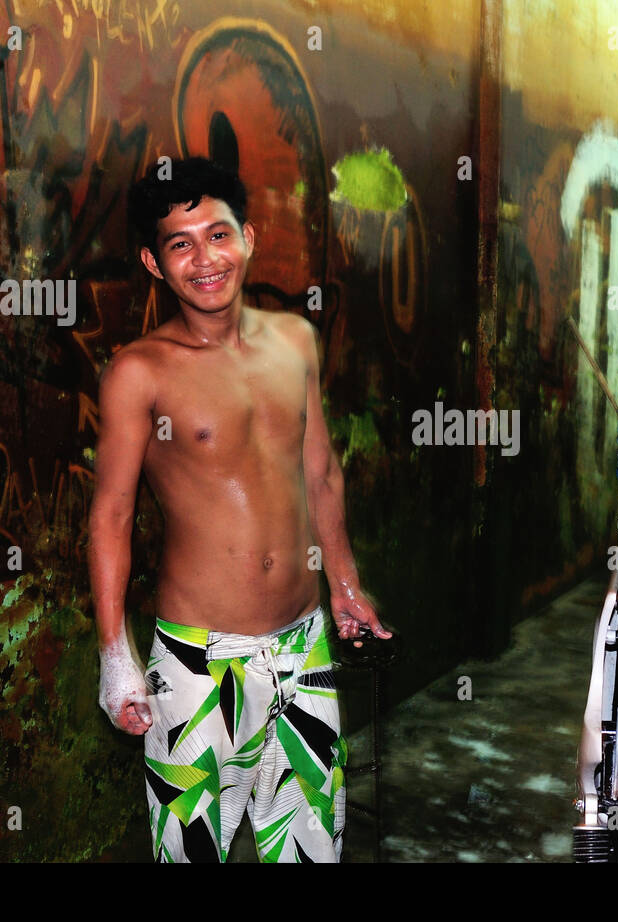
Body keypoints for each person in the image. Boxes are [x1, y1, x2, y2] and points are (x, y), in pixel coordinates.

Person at [88, 156, 389, 863]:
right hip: (196, 665)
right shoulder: (139, 371)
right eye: (180, 244)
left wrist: (344, 584)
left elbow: (320, 472)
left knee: (312, 849)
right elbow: (110, 517)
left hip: (303, 649)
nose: (205, 259)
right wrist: (114, 655)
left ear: (248, 238)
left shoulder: (294, 341)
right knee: (190, 852)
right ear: (154, 264)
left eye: (218, 234)